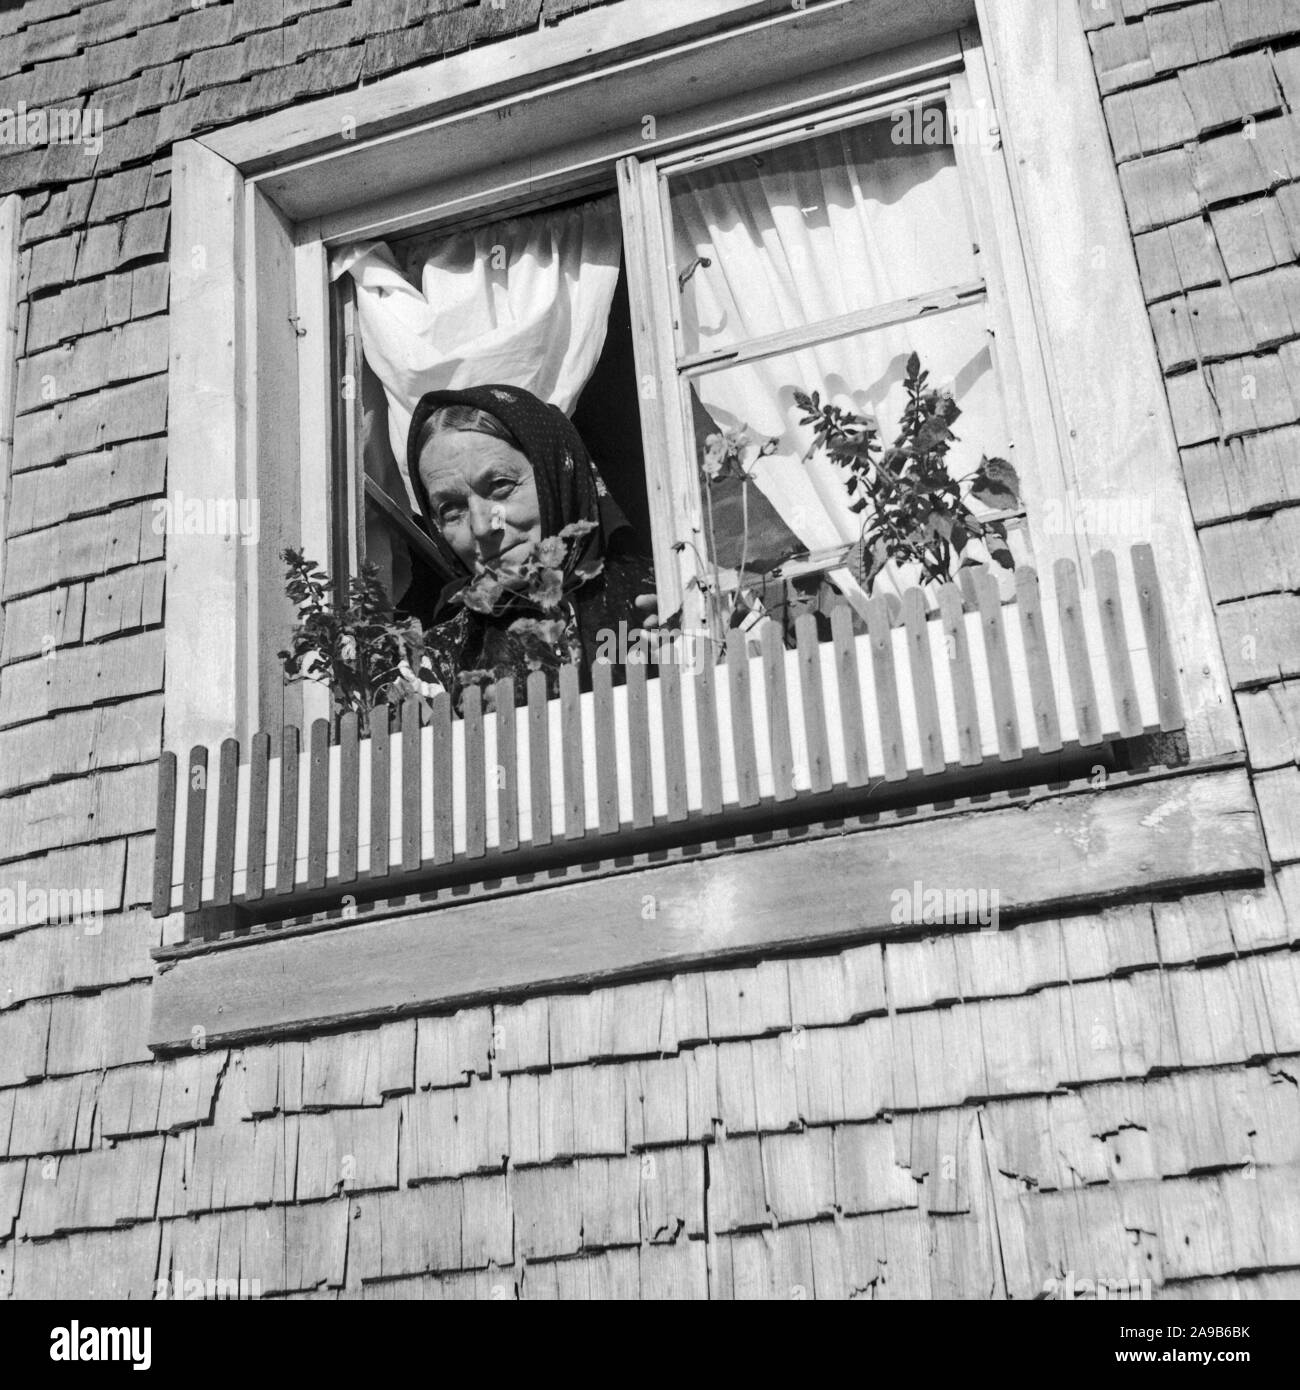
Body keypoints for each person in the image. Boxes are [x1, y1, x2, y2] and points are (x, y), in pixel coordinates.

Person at [405, 384, 662, 707]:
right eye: (451, 509)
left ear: (557, 476)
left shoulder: (662, 605)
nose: (482, 526)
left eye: (501, 486)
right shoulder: (437, 668)